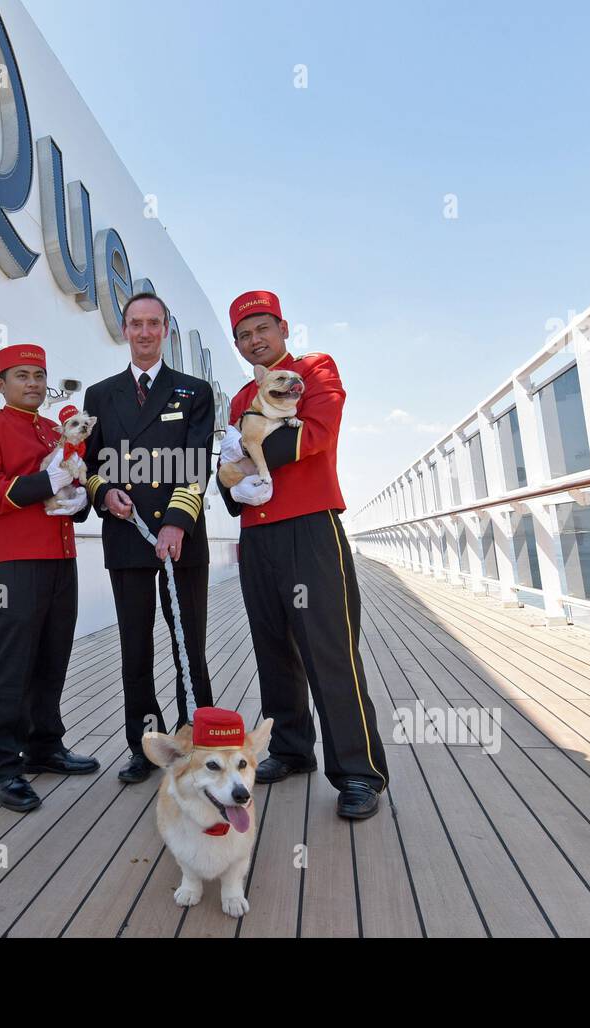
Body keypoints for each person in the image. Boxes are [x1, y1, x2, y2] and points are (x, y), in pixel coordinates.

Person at [218, 290, 390, 819]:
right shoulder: (239, 397)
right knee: (272, 648)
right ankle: (291, 749)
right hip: (259, 534)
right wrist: (230, 484)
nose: (255, 341)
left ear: (284, 328)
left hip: (311, 528)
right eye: (244, 335)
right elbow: (227, 469)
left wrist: (244, 459)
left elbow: (315, 434)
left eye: (262, 329)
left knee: (330, 650)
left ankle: (359, 772)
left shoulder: (313, 370)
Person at [82, 292, 216, 784]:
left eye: (153, 324)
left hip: (181, 537)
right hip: (126, 537)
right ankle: (144, 743)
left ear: (165, 331)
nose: (144, 332)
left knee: (190, 646)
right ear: (124, 330)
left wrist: (177, 521)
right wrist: (105, 493)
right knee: (134, 648)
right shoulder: (100, 395)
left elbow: (198, 461)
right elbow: (93, 463)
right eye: (135, 324)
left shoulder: (194, 391)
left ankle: (198, 740)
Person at [0, 343, 99, 813]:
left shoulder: (52, 430)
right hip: (12, 564)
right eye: (22, 376)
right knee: (11, 665)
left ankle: (45, 745)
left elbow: (71, 479)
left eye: (39, 375)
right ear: (1, 384)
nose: (33, 384)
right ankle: (5, 765)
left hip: (61, 559)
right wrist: (48, 484)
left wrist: (78, 499)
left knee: (52, 657)